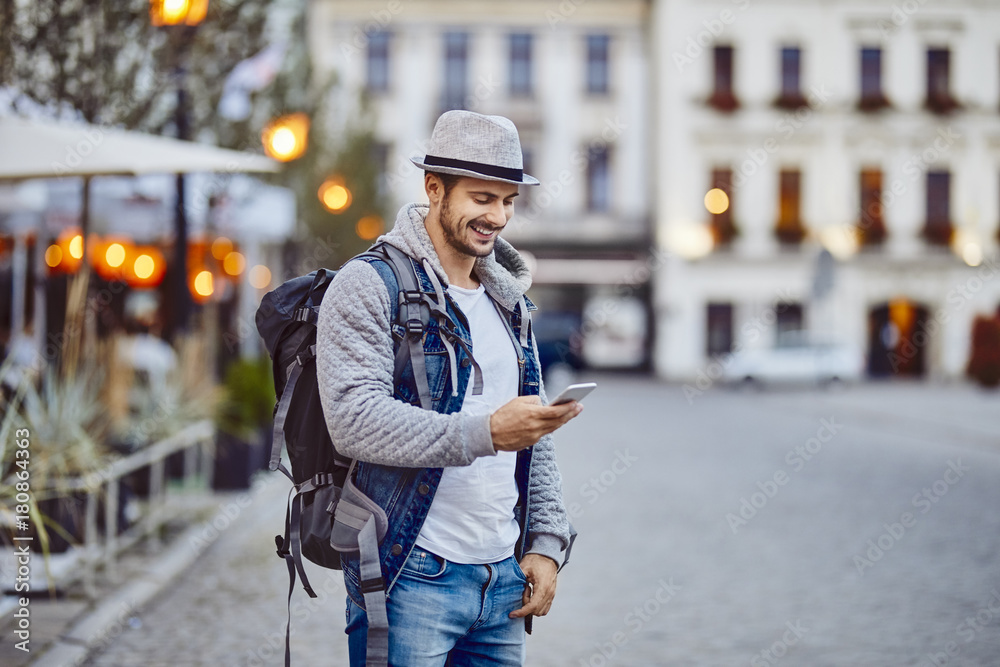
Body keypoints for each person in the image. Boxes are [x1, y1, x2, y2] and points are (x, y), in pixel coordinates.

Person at [316, 109, 580, 666]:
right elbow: (353, 419)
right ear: (434, 188)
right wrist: (485, 432)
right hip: (410, 574)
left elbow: (532, 435)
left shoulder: (510, 302)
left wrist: (546, 544)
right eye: (483, 199)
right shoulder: (367, 284)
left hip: (503, 581)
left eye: (508, 201)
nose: (499, 217)